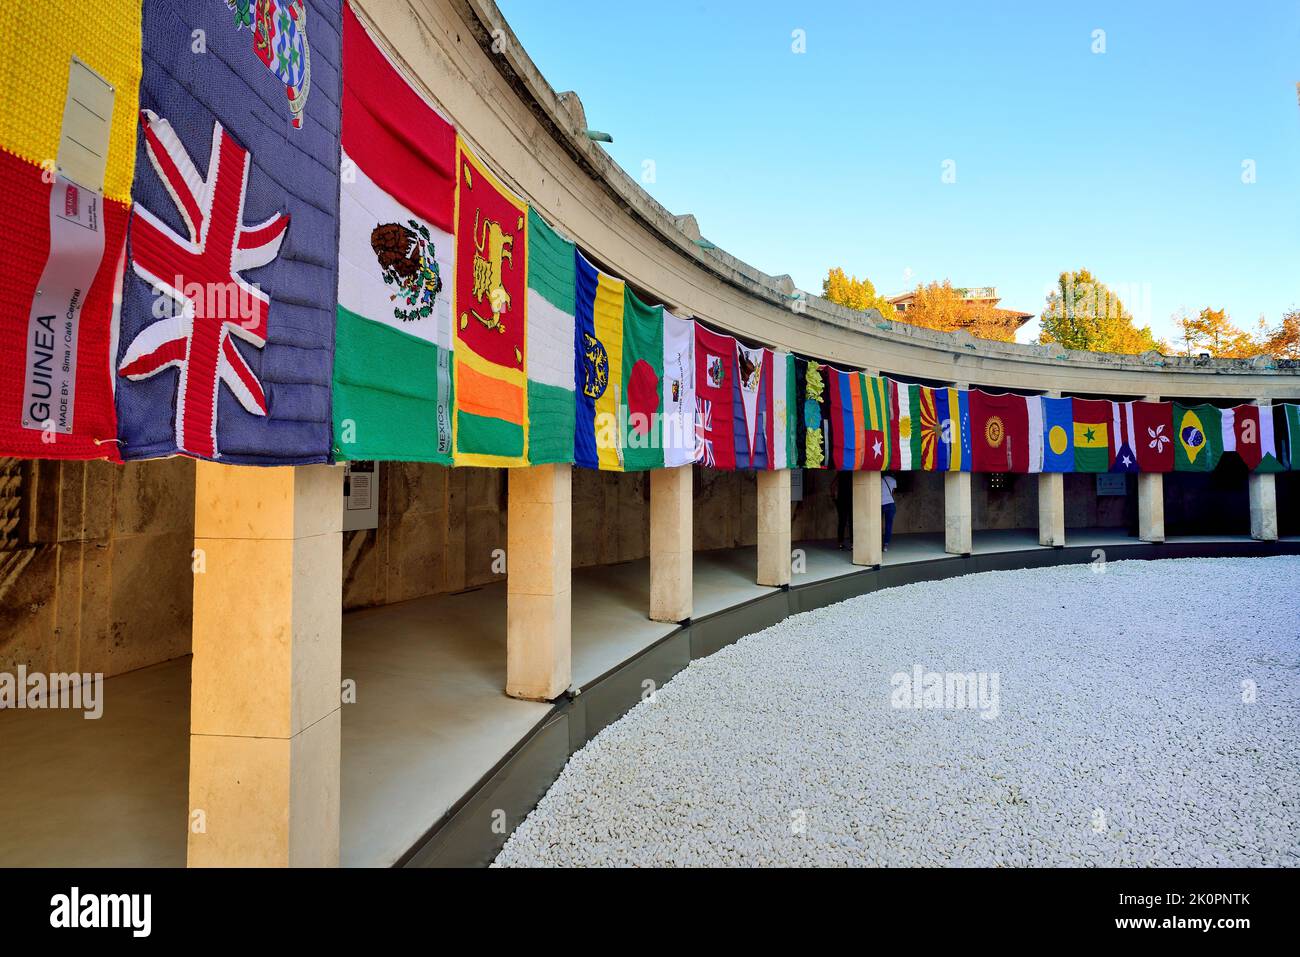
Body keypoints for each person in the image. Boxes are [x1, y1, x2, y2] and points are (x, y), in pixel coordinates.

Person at [833, 470, 853, 549]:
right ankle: (852, 543)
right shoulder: (852, 474)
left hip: (841, 500)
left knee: (842, 521)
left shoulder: (840, 474)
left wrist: (834, 498)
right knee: (852, 522)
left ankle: (840, 543)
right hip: (851, 500)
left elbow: (833, 486)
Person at [881, 473, 898, 551]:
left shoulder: (879, 479)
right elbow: (892, 493)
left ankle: (877, 543)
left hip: (880, 504)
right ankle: (885, 545)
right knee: (888, 525)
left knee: (877, 525)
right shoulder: (893, 480)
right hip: (890, 504)